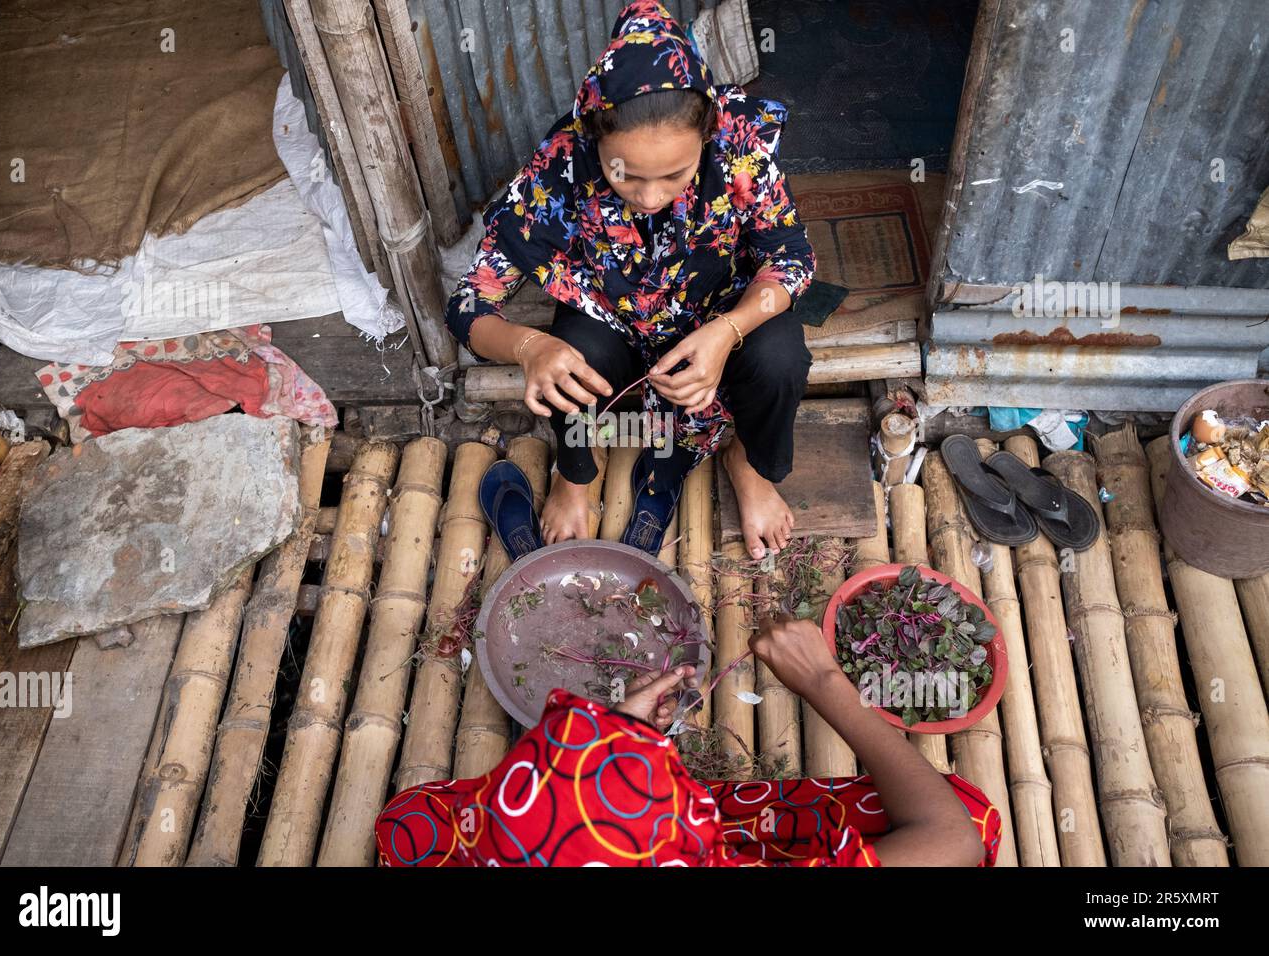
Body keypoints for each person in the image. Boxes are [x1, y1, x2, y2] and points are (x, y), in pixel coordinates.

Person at [447, 1, 815, 560]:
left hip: (715, 311)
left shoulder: (737, 147)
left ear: (707, 137)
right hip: (612, 323)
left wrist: (728, 332)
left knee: (780, 354)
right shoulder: (564, 166)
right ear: (596, 139)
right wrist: (529, 347)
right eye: (625, 173)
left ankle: (749, 463)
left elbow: (790, 258)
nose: (649, 196)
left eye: (675, 174)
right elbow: (470, 301)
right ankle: (576, 477)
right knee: (567, 361)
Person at [374, 616, 1002, 867]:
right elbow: (955, 842)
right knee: (968, 813)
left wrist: (620, 737)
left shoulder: (422, 833)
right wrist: (822, 680)